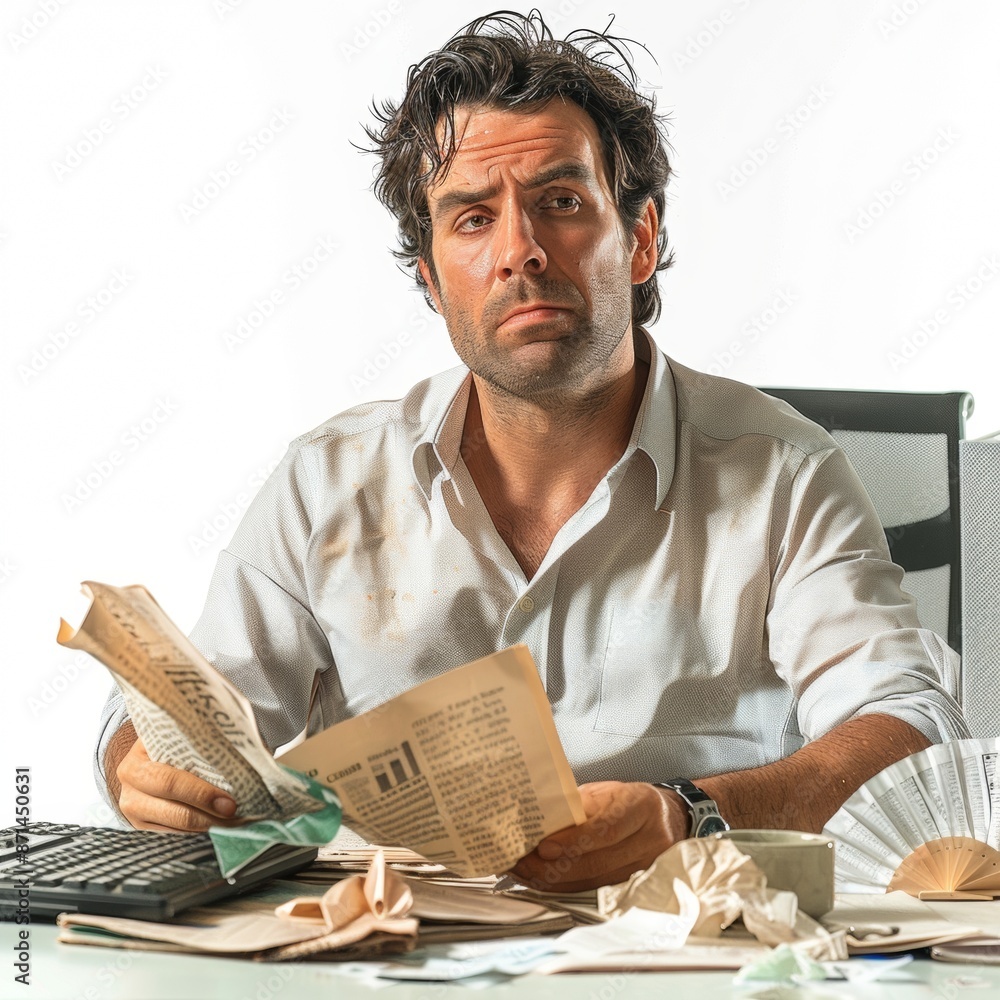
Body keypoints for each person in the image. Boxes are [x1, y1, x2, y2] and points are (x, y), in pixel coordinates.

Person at [95, 11, 967, 892]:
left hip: (688, 948)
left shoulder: (787, 474)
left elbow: (907, 722)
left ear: (640, 240)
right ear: (431, 279)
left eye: (560, 202)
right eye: (473, 219)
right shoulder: (327, 481)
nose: (521, 252)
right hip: (390, 958)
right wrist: (146, 767)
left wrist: (687, 815)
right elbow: (186, 722)